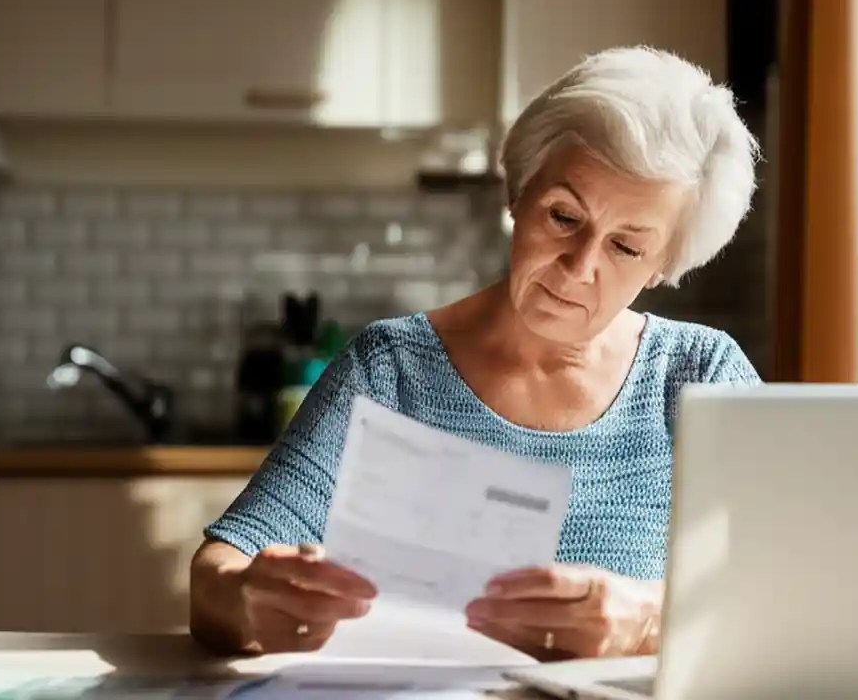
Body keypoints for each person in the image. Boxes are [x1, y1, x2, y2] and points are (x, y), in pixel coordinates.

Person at [190, 46, 761, 660]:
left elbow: (793, 589)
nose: (580, 266)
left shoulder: (700, 377)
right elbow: (216, 574)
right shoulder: (392, 368)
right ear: (519, 194)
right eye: (565, 216)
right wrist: (249, 599)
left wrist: (647, 619)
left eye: (625, 247)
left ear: (664, 266)